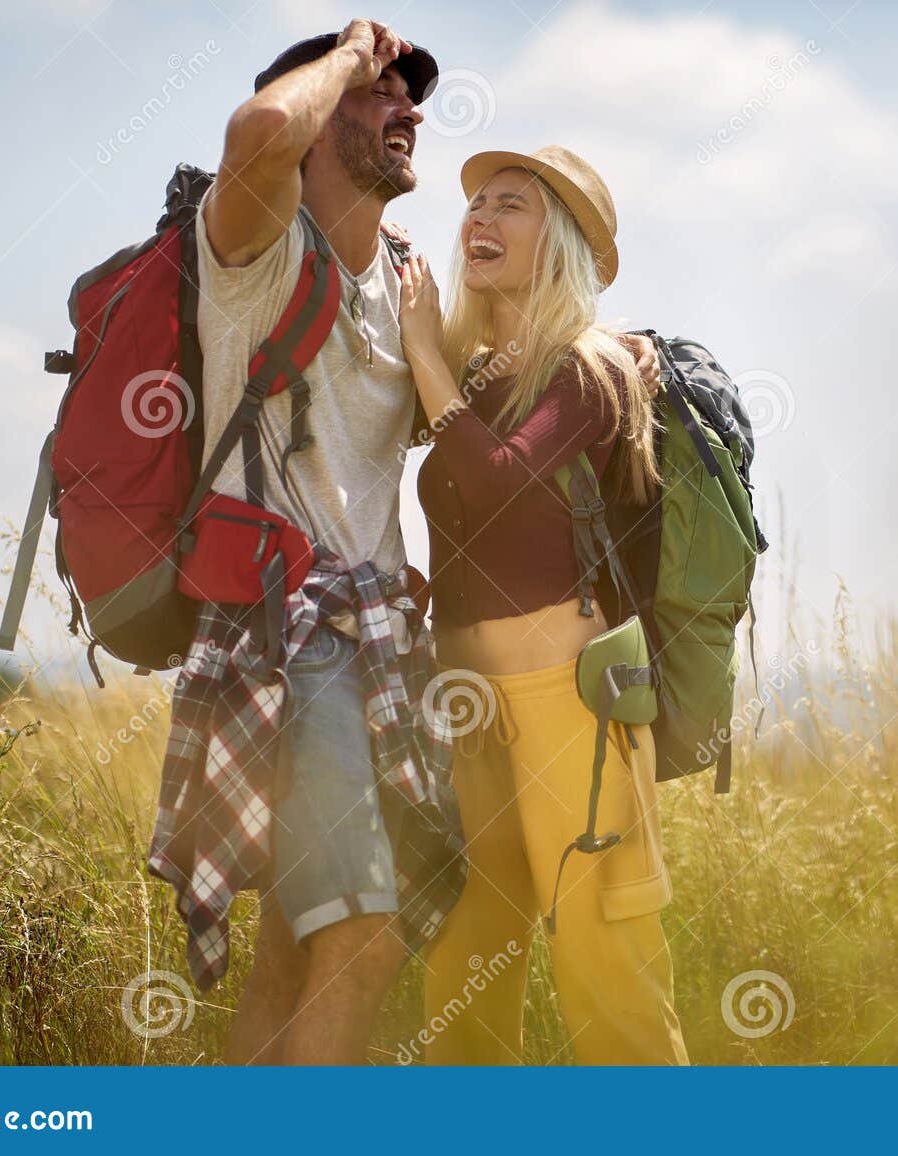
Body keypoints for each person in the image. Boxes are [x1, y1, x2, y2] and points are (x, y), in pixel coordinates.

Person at [180, 24, 662, 1065]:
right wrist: (350, 52)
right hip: (372, 668)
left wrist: (528, 350)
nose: (409, 111)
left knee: (577, 966)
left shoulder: (506, 340)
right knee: (414, 951)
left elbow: (490, 465)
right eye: (376, 92)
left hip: (504, 688)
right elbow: (263, 133)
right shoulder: (290, 253)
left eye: (513, 202)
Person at [397, 146, 689, 1063]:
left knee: (607, 969)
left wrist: (421, 351)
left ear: (555, 241)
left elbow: (494, 481)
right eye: (476, 203)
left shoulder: (591, 367)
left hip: (571, 706)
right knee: (463, 970)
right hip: (465, 710)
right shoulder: (475, 374)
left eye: (509, 205)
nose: (479, 218)